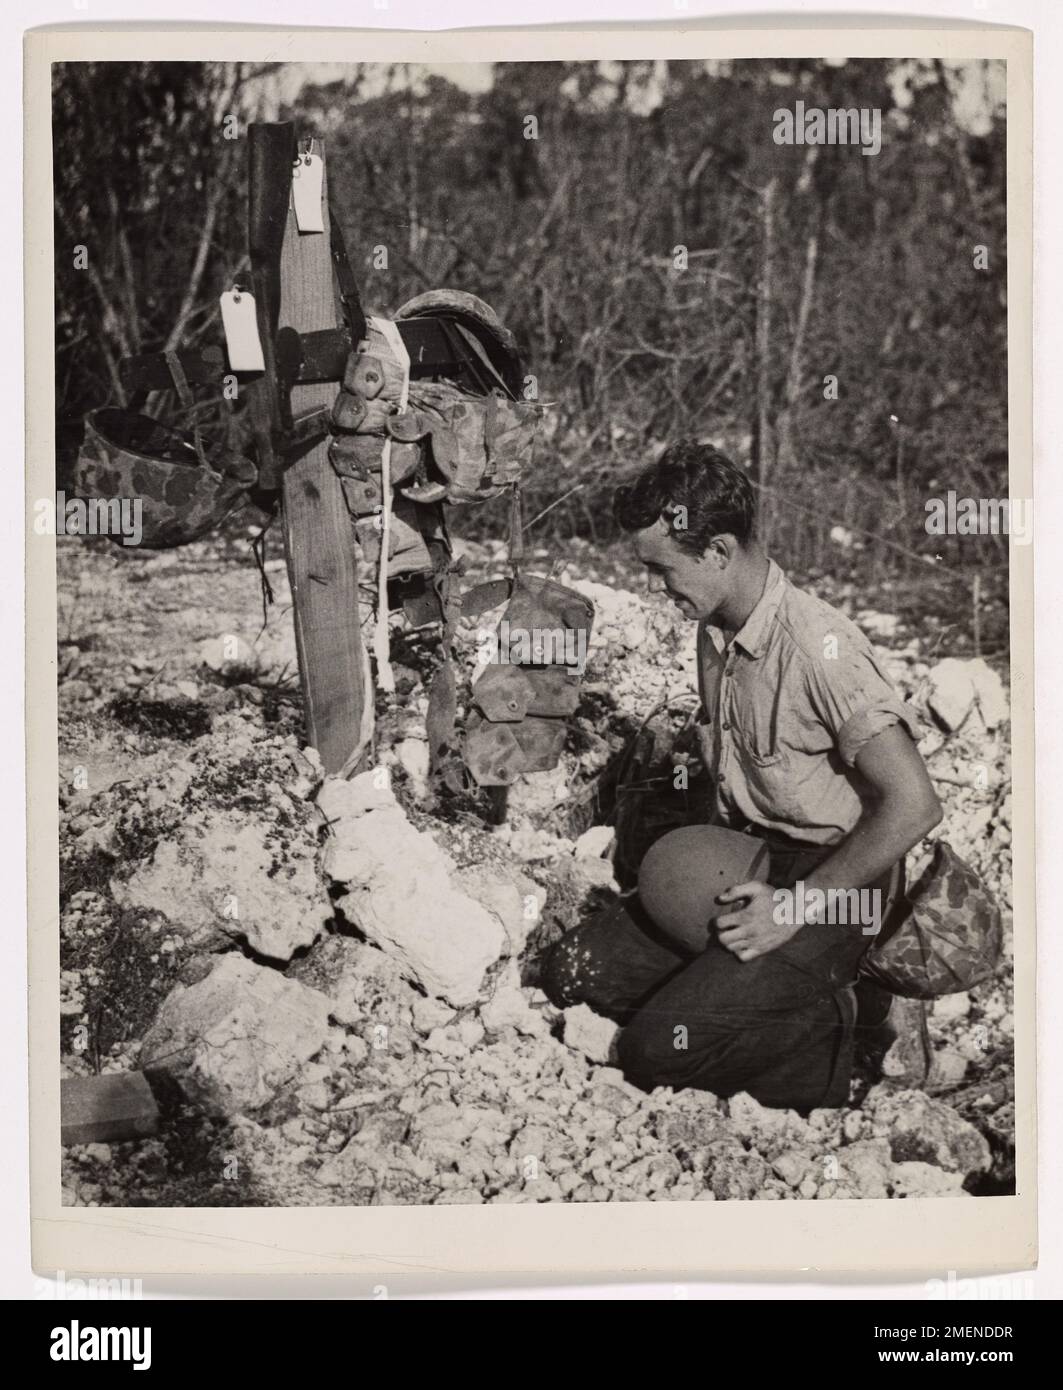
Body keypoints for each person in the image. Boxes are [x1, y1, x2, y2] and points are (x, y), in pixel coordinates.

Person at [542, 441, 942, 1111]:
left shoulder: (819, 652)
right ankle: (741, 989)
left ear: (719, 551)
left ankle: (850, 1021)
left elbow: (913, 806)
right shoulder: (715, 630)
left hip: (839, 884)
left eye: (661, 570)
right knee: (572, 976)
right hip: (757, 861)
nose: (656, 589)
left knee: (655, 1051)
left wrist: (791, 909)